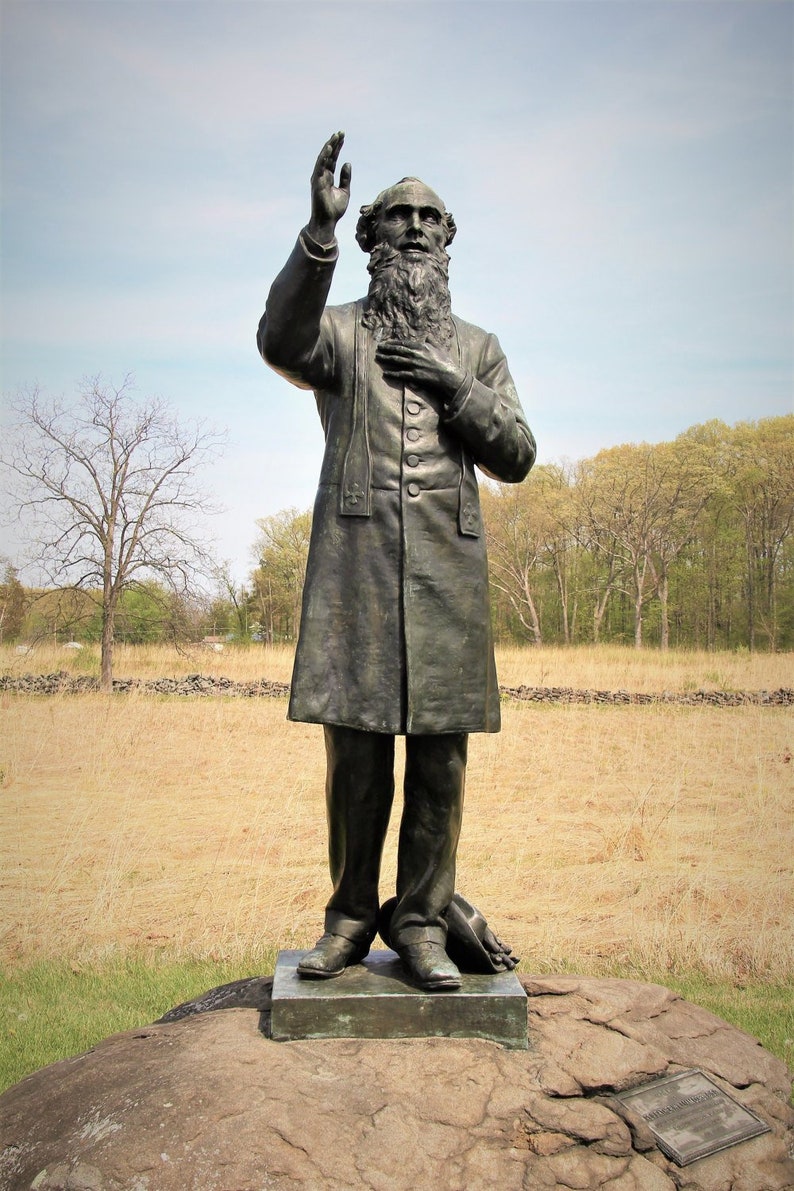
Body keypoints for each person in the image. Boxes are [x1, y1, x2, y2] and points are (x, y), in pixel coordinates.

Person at [257, 131, 535, 991]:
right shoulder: (340, 336)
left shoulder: (479, 346)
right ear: (373, 235)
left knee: (442, 764)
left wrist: (457, 387)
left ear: (447, 239)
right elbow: (278, 339)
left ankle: (418, 923)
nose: (415, 228)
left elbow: (518, 452)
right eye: (398, 217)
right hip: (358, 571)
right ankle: (348, 917)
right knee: (358, 760)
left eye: (430, 219)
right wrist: (317, 235)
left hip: (448, 580)